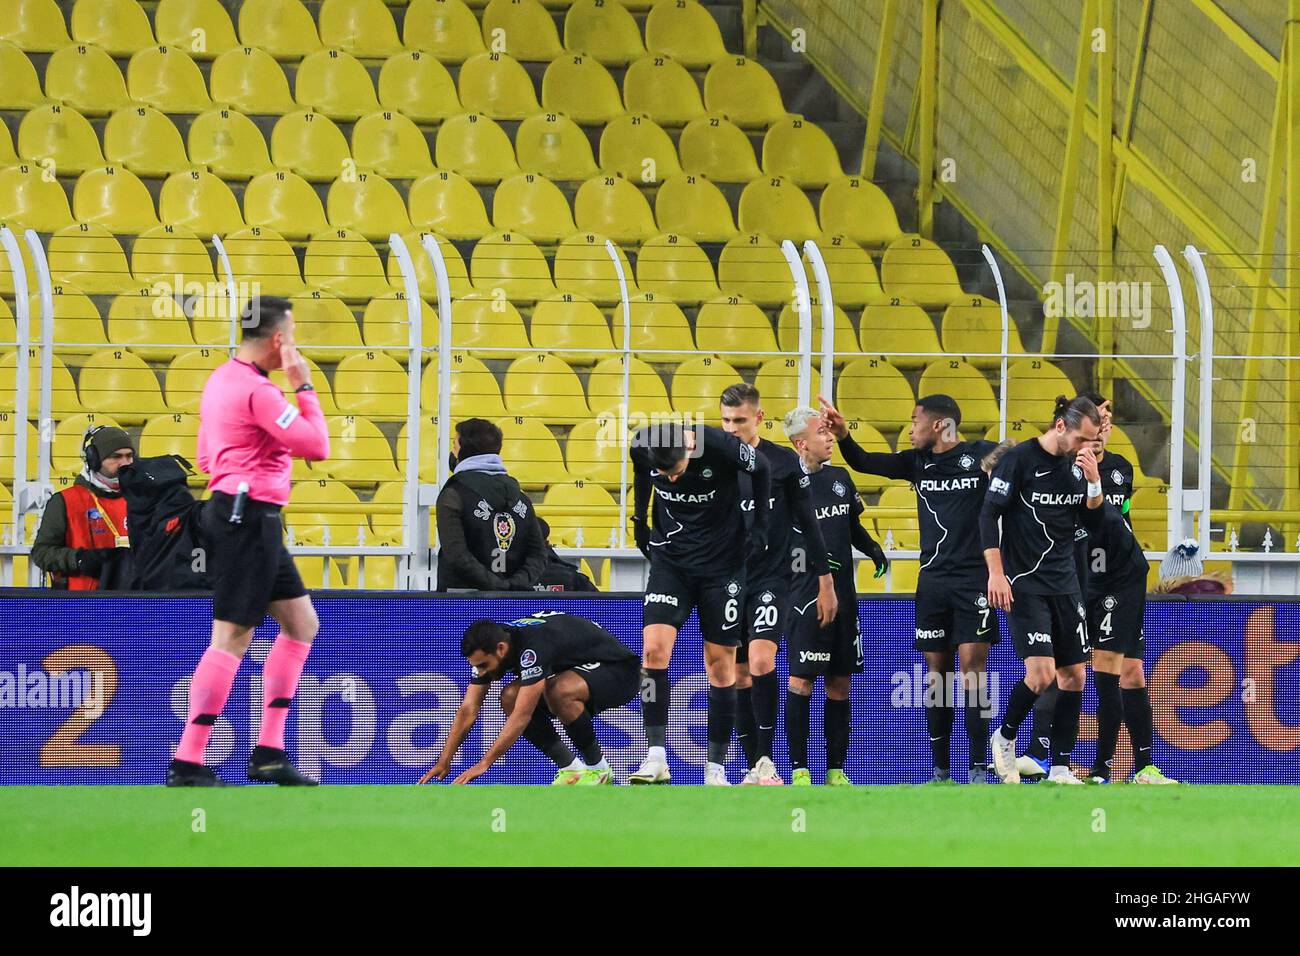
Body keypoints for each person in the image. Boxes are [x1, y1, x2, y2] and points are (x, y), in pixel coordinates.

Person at [167, 295, 329, 787]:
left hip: (241, 512)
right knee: (233, 636)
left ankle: (269, 752)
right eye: (293, 336)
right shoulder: (261, 393)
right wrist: (303, 385)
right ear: (279, 339)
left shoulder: (221, 380)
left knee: (302, 624)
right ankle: (189, 759)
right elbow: (316, 446)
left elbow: (204, 455)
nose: (295, 347)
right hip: (247, 518)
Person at [820, 393, 1000, 785]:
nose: (910, 428)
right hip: (932, 581)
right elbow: (865, 463)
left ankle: (978, 766)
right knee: (938, 673)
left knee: (973, 672)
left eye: (915, 420)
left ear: (938, 424)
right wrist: (844, 435)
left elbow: (1018, 457)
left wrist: (1000, 466)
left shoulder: (979, 454)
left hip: (975, 581)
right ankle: (940, 770)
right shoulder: (915, 462)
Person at [1024, 392, 1176, 785]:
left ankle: (1121, 768)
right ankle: (1045, 757)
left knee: (1128, 671)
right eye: (1100, 415)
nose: (1107, 421)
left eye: (1109, 415)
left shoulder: (1120, 469)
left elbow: (1112, 522)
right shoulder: (1056, 470)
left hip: (1117, 580)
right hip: (1072, 580)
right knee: (1065, 670)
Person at [627, 420, 770, 786]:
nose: (669, 480)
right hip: (671, 561)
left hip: (722, 566)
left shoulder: (719, 444)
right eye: (663, 473)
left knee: (720, 665)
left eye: (673, 472)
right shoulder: (644, 446)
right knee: (653, 652)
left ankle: (715, 768)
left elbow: (762, 467)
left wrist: (760, 527)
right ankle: (655, 756)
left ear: (688, 451)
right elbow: (643, 476)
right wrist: (640, 520)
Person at [981, 395, 1103, 785]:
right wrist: (996, 574)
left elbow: (1095, 519)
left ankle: (1062, 768)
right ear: (1062, 426)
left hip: (1065, 583)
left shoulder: (1080, 467)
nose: (1088, 448)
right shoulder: (1020, 461)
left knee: (1075, 677)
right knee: (1041, 674)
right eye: (1083, 439)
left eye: (1093, 441)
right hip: (1024, 583)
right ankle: (1004, 737)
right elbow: (988, 515)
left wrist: (1094, 481)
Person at [719, 384, 835, 786]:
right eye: (726, 420)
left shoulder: (783, 463)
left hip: (771, 578)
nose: (731, 428)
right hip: (728, 581)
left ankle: (767, 759)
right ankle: (756, 767)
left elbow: (809, 523)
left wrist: (826, 580)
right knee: (739, 675)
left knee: (763, 661)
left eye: (739, 420)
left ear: (759, 418)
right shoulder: (714, 462)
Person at [782, 407, 887, 785]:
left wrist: (873, 547)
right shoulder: (785, 482)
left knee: (839, 682)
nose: (829, 438)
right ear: (800, 443)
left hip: (844, 594)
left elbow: (851, 525)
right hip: (804, 594)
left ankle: (836, 770)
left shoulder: (841, 478)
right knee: (802, 680)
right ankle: (798, 768)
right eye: (822, 433)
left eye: (830, 432)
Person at [419, 611, 641, 785]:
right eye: (477, 667)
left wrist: (484, 763)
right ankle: (572, 770)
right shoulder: (496, 643)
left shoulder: (532, 648)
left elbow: (521, 716)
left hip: (621, 671)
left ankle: (599, 770)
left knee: (560, 691)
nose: (482, 672)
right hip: (579, 668)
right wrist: (445, 759)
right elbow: (469, 709)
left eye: (484, 665)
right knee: (510, 696)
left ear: (501, 649)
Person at [435, 418, 547, 592]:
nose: (453, 451)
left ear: (466, 450)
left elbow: (456, 554)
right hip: (515, 602)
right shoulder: (521, 497)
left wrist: (495, 587)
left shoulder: (453, 494)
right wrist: (515, 585)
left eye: (455, 445)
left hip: (462, 601)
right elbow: (538, 555)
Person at [31, 425, 136, 590]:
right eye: (116, 456)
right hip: (80, 603)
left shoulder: (141, 499)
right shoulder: (65, 501)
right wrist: (79, 559)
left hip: (133, 599)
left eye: (129, 456)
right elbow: (41, 553)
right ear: (94, 459)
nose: (125, 463)